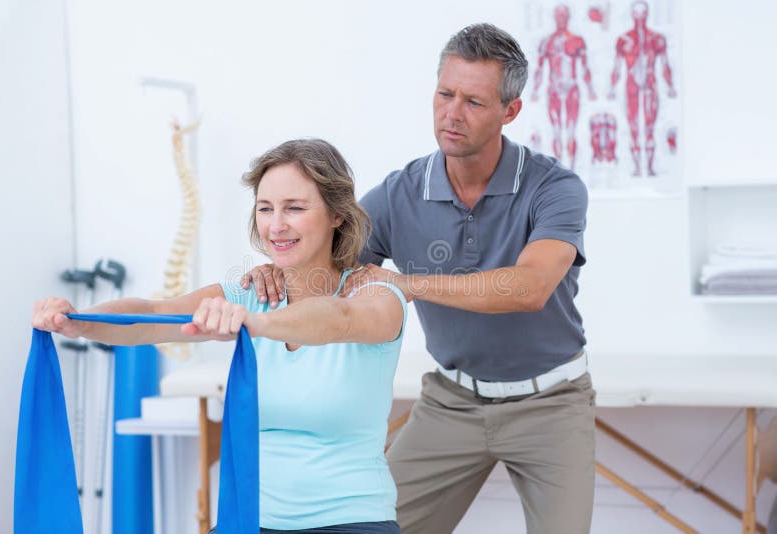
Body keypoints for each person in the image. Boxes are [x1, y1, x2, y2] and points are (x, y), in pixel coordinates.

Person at [244, 24, 594, 534]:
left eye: (473, 101)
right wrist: (273, 268)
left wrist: (410, 283)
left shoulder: (555, 188)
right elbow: (326, 256)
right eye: (445, 94)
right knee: (376, 524)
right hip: (451, 403)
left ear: (510, 111)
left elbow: (529, 287)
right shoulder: (400, 193)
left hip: (551, 405)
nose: (452, 113)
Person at [32, 139, 407, 534]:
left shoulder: (377, 295)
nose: (275, 225)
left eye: (294, 208)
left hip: (352, 521)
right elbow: (153, 315)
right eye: (265, 209)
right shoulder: (250, 294)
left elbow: (340, 318)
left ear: (336, 215)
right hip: (247, 522)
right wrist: (77, 321)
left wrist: (255, 323)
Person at [608, 0, 677, 176]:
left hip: (650, 86)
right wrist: (612, 88)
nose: (640, 18)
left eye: (643, 14)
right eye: (636, 14)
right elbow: (617, 66)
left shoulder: (657, 39)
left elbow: (665, 64)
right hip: (631, 86)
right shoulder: (624, 40)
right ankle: (637, 167)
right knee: (633, 127)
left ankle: (650, 167)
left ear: (647, 15)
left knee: (649, 128)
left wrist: (670, 85)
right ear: (632, 15)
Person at [531, 4, 597, 169]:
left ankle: (572, 168)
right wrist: (535, 90)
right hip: (553, 88)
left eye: (564, 16)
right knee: (556, 130)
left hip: (572, 89)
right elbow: (539, 69)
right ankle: (559, 168)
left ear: (569, 17)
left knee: (571, 130)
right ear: (555, 17)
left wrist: (590, 89)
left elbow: (585, 67)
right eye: (559, 16)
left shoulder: (577, 41)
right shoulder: (547, 42)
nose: (562, 19)